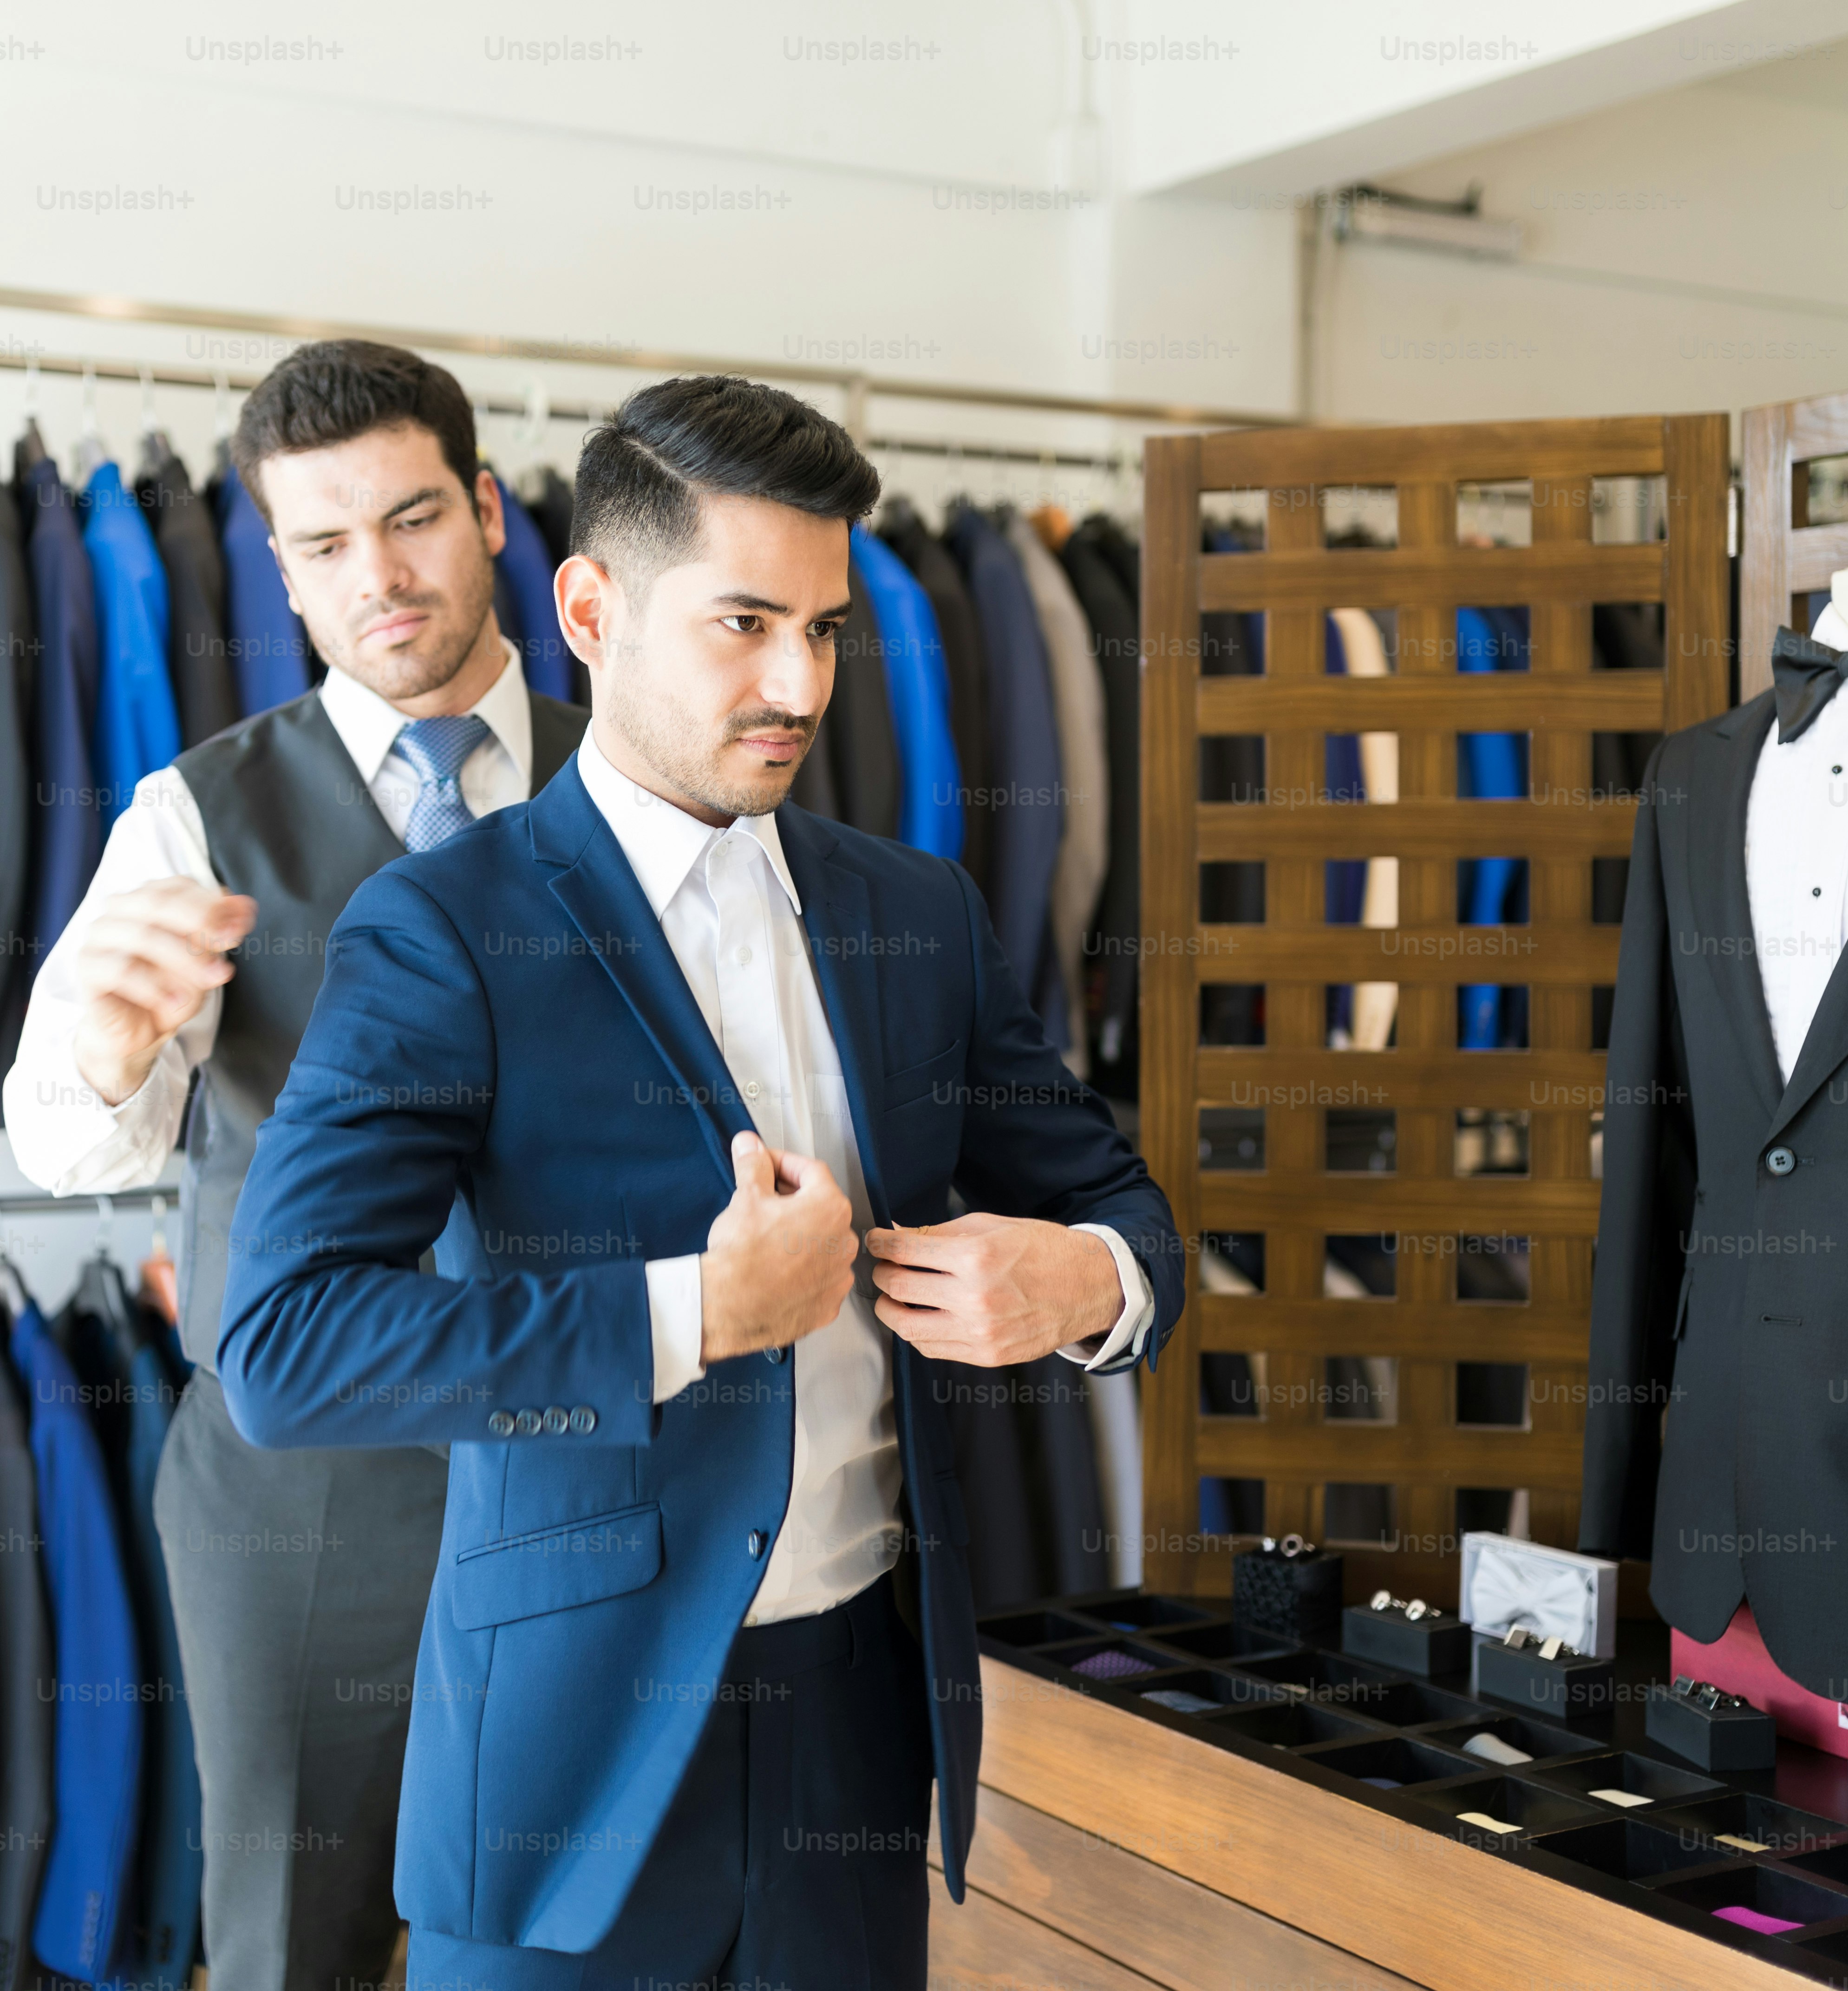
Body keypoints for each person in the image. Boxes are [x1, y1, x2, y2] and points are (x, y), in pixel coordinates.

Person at [215, 375, 1184, 1984]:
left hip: (861, 1737)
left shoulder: (919, 912)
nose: (799, 680)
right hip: (567, 1761)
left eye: (824, 627)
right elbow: (288, 1347)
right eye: (743, 623)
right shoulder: (443, 931)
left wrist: (1089, 1285)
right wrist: (695, 1310)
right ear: (592, 610)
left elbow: (1126, 1212)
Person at [2, 339, 589, 1991]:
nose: (380, 581)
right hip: (306, 1480)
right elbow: (61, 1140)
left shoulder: (634, 769)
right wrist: (113, 1052)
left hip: (592, 1435)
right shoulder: (192, 815)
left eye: (411, 523)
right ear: (279, 562)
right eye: (325, 548)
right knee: (288, 1941)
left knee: (579, 1926)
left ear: (485, 512)